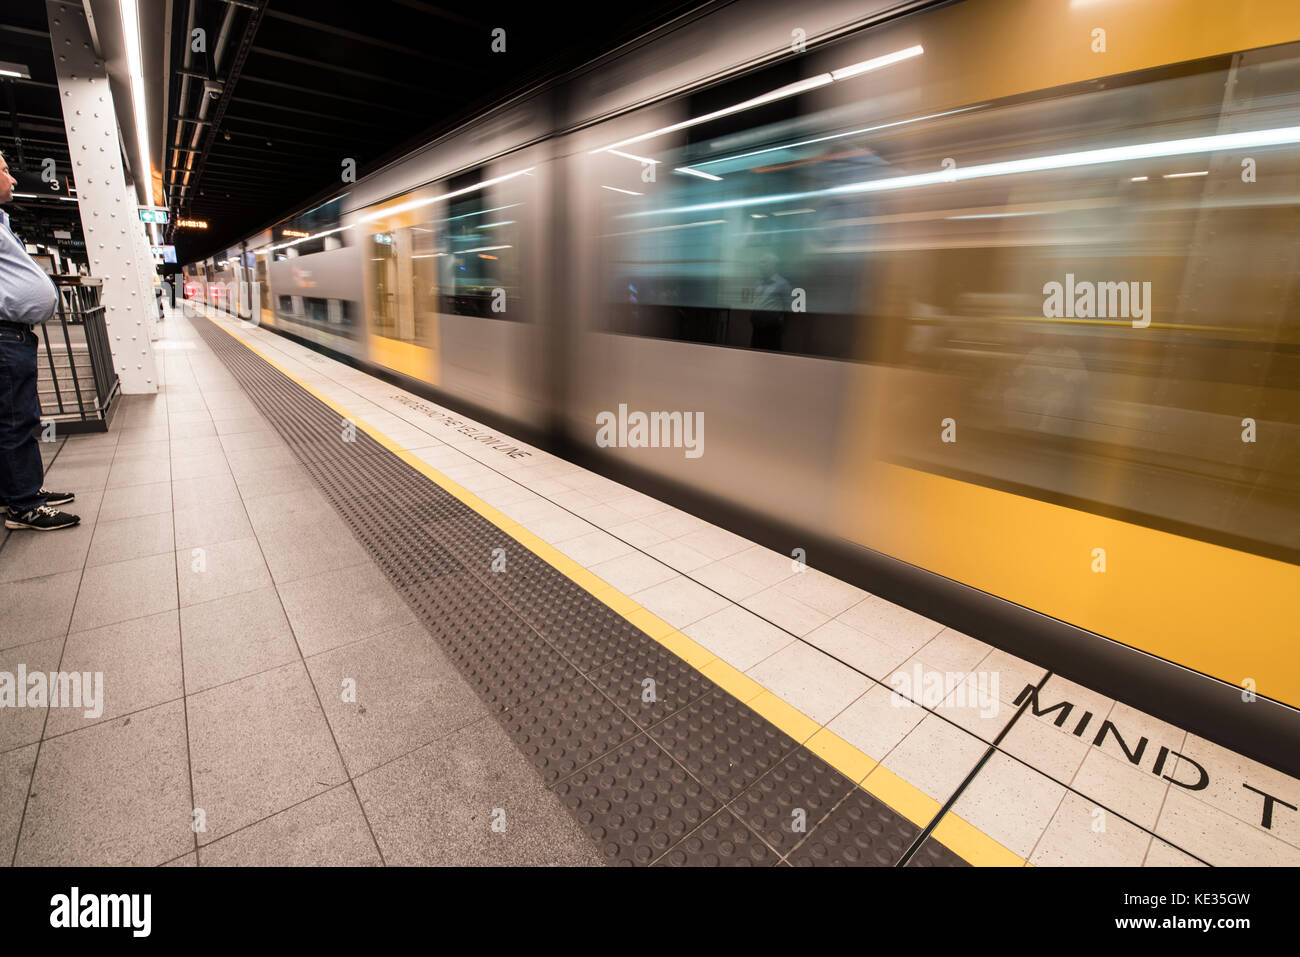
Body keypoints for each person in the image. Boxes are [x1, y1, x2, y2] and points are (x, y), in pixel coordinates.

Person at [0, 151, 78, 530]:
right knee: (16, 420)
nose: (13, 180)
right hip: (3, 337)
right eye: (4, 171)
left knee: (16, 418)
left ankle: (18, 492)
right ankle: (24, 504)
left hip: (10, 336)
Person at [750, 252, 791, 351]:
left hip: (772, 328)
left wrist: (780, 322)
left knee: (771, 355)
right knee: (755, 354)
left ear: (772, 265)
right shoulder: (758, 283)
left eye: (764, 263)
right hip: (757, 326)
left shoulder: (782, 283)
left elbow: (788, 306)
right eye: (760, 263)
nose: (760, 266)